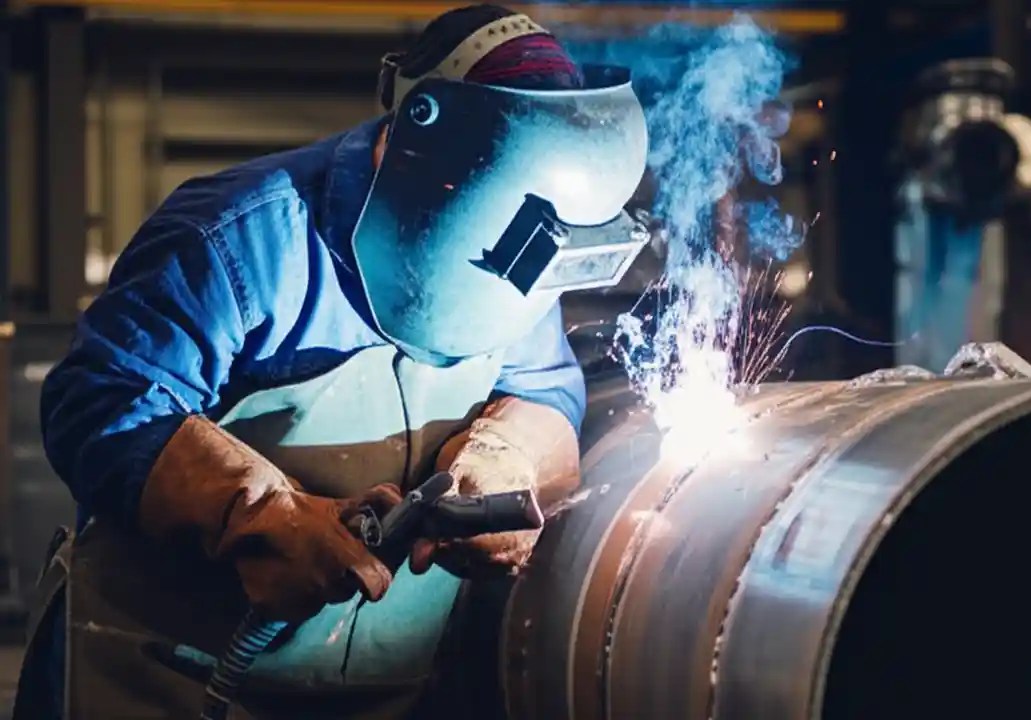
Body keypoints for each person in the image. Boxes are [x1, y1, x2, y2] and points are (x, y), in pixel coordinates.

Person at [11, 5, 787, 718]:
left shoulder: (524, 243)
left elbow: (546, 387)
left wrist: (504, 462)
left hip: (385, 695)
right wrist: (257, 515)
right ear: (421, 148)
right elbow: (100, 400)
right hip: (162, 682)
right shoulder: (242, 238)